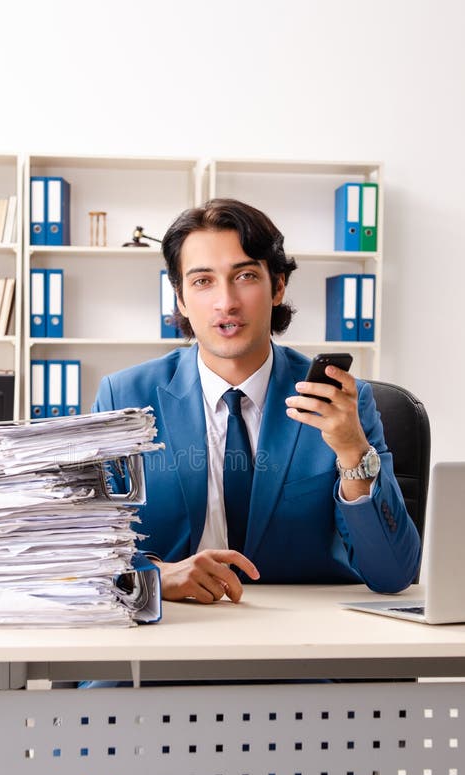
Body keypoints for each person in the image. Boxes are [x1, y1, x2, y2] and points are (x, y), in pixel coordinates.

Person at [93, 198, 421, 602]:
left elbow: (392, 573)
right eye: (202, 281)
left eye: (245, 276)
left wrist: (354, 452)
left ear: (277, 286)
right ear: (180, 298)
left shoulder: (338, 402)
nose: (225, 301)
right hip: (172, 636)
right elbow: (89, 552)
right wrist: (157, 574)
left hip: (301, 645)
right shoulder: (124, 399)